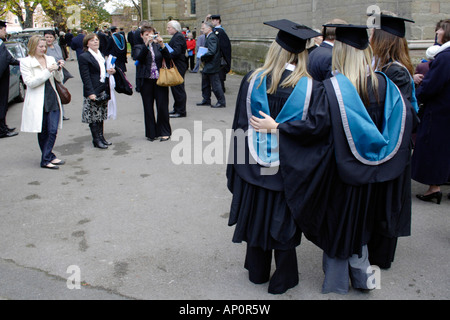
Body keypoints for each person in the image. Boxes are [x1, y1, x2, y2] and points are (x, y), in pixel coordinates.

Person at [251, 24, 414, 294]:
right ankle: (364, 279)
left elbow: (314, 128)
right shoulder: (386, 85)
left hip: (341, 172)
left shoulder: (332, 90)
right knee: (362, 224)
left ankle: (336, 283)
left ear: (339, 53)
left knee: (339, 224)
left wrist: (279, 128)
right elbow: (408, 121)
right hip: (373, 173)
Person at [227, 19, 322, 294]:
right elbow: (316, 131)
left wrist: (236, 165)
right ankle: (284, 278)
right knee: (281, 220)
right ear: (304, 53)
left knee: (257, 213)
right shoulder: (311, 88)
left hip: (254, 166)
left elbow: (239, 125)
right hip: (287, 170)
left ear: (275, 49)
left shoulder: (252, 80)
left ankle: (257, 272)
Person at [369, 13, 419, 269]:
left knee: (388, 201)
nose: (369, 39)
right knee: (386, 200)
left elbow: (400, 114)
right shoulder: (391, 68)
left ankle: (381, 257)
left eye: (373, 36)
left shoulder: (394, 73)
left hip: (393, 147)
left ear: (383, 40)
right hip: (393, 145)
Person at [412, 19, 450, 204]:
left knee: (434, 149)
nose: (437, 32)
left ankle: (433, 188)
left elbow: (432, 86)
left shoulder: (445, 57)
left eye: (440, 29)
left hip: (440, 111)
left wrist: (418, 93)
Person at [20, 35, 65, 169]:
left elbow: (59, 79)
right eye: (40, 46)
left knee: (53, 129)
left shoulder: (50, 59)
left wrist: (58, 69)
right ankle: (47, 158)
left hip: (52, 96)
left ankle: (47, 157)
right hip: (37, 99)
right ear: (33, 46)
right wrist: (47, 70)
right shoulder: (26, 62)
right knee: (43, 130)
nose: (43, 49)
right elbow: (30, 83)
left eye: (44, 46)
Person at [133, 25, 172, 142]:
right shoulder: (138, 47)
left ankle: (164, 132)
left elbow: (169, 57)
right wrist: (147, 44)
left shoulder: (158, 46)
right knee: (148, 108)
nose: (149, 37)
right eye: (146, 35)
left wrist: (162, 44)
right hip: (146, 81)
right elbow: (138, 58)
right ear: (141, 36)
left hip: (160, 80)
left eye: (152, 34)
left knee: (162, 106)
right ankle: (151, 133)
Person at [78, 33, 116, 149]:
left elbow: (101, 71)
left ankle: (101, 137)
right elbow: (85, 76)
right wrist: (90, 93)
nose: (96, 42)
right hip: (93, 89)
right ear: (87, 43)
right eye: (92, 40)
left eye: (97, 40)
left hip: (102, 87)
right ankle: (96, 139)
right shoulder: (84, 56)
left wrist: (109, 72)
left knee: (101, 115)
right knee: (93, 117)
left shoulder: (100, 54)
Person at [196, 21, 226, 109]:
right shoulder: (209, 37)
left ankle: (221, 101)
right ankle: (206, 99)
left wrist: (202, 55)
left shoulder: (212, 37)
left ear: (209, 28)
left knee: (215, 84)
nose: (202, 30)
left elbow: (212, 51)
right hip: (209, 64)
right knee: (205, 83)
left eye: (203, 28)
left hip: (212, 65)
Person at [44, 30, 72, 120]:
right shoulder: (43, 48)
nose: (49, 39)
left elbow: (60, 58)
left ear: (54, 38)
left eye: (50, 37)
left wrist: (61, 62)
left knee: (60, 92)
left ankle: (61, 114)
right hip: (48, 74)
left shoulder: (56, 47)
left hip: (58, 73)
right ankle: (51, 113)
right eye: (47, 37)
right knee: (51, 94)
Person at [0, 20, 20, 138]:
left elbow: (10, 59)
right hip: (1, 81)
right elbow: (7, 60)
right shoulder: (0, 44)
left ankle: (4, 126)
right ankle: (2, 130)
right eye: (3, 29)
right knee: (2, 104)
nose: (5, 32)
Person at [166, 20, 188, 119]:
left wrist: (166, 53)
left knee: (178, 88)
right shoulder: (177, 36)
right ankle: (177, 108)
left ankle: (181, 110)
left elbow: (176, 52)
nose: (167, 29)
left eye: (169, 27)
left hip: (178, 65)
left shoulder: (178, 37)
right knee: (175, 88)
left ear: (175, 28)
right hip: (176, 65)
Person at [208, 14, 232, 93]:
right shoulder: (215, 30)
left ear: (218, 21)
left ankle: (221, 89)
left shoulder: (220, 31)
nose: (212, 22)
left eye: (213, 20)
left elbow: (224, 46)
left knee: (220, 74)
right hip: (216, 57)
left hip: (220, 57)